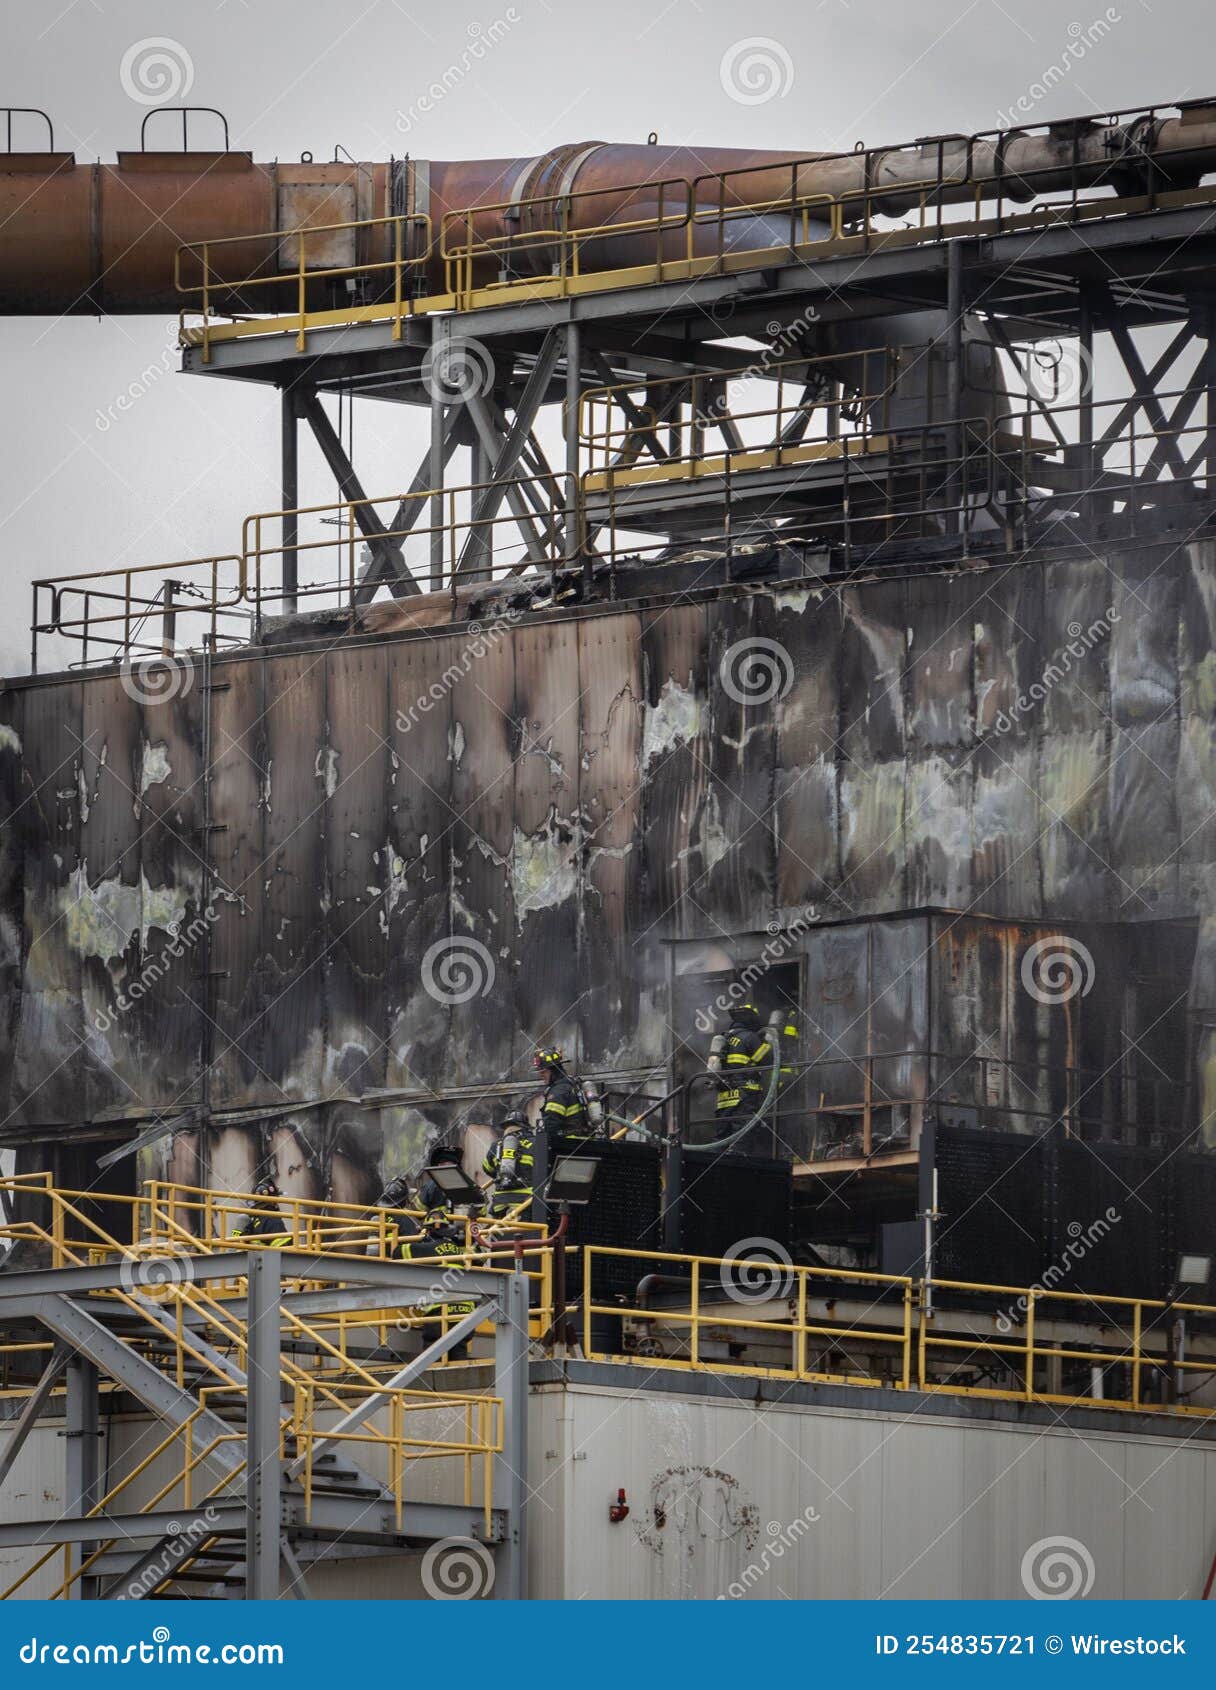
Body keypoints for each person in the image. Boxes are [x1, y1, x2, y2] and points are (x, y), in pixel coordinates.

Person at [714, 1002, 774, 1119]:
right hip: (745, 1095)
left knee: (724, 1132)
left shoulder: (725, 1038)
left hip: (724, 1098)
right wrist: (768, 1043)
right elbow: (767, 1060)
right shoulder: (750, 1037)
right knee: (745, 1132)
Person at [480, 1108, 536, 1219]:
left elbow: (487, 1168)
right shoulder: (535, 1142)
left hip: (500, 1204)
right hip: (526, 1201)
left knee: (499, 1233)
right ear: (525, 1126)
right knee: (529, 1234)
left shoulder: (496, 1145)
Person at [532, 1047, 589, 1135]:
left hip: (567, 1143)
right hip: (580, 1139)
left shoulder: (559, 1090)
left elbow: (551, 1122)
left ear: (553, 1071)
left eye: (543, 1072)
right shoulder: (570, 1083)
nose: (541, 1076)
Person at [231, 1178, 291, 1247]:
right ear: (271, 1200)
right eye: (276, 1199)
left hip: (245, 1256)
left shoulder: (250, 1220)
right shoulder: (273, 1221)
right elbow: (284, 1251)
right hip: (264, 1257)